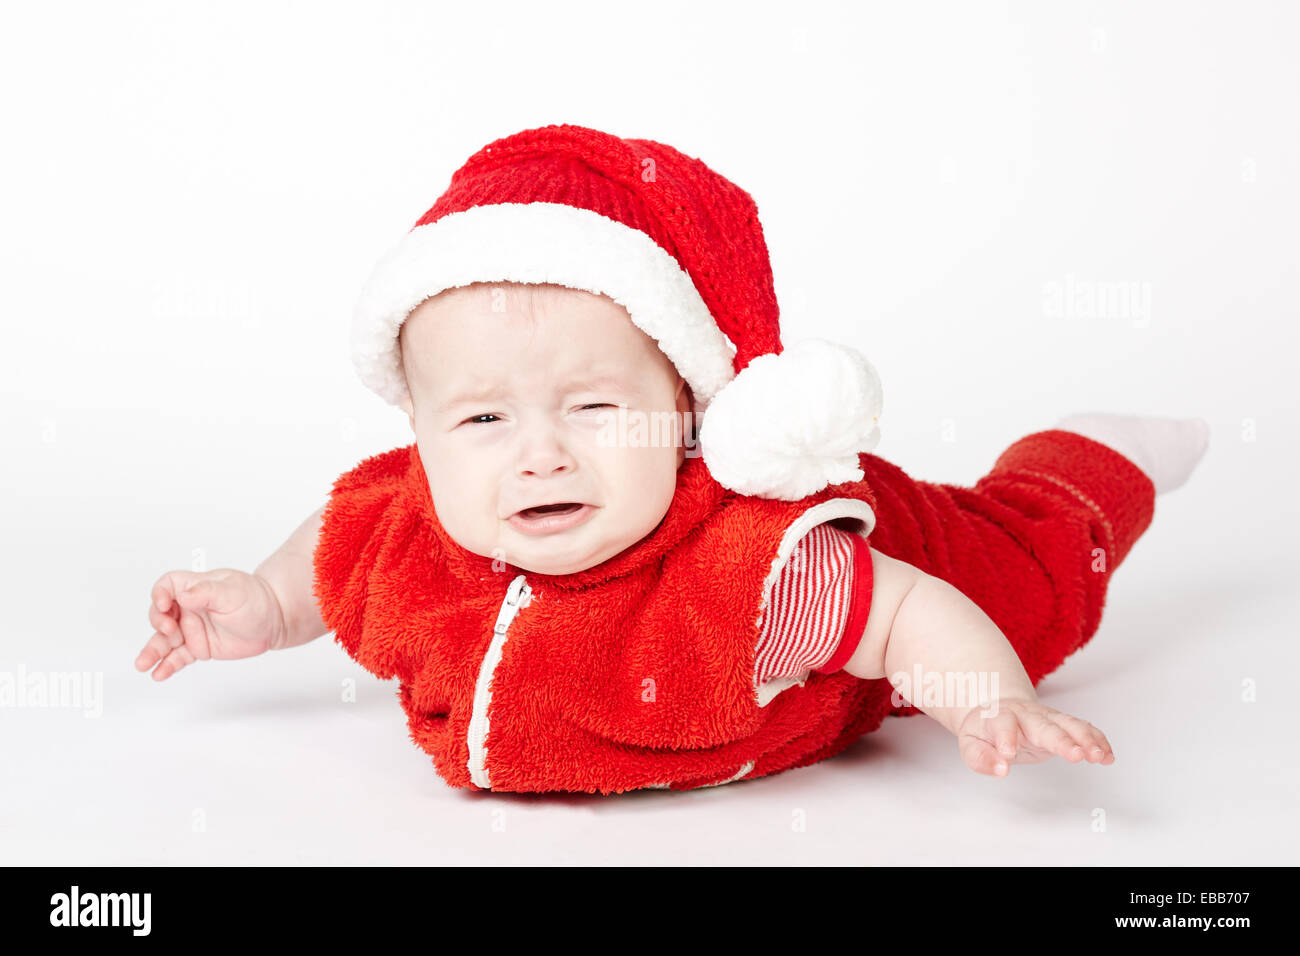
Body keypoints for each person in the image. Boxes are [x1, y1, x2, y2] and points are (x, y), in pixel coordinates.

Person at [136, 124, 1210, 794]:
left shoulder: (750, 573)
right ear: (420, 433)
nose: (539, 455)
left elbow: (902, 614)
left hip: (941, 567)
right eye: (480, 422)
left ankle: (1093, 456)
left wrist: (987, 701)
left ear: (687, 414)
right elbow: (336, 538)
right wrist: (267, 606)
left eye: (595, 406)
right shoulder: (411, 523)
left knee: (1041, 557)